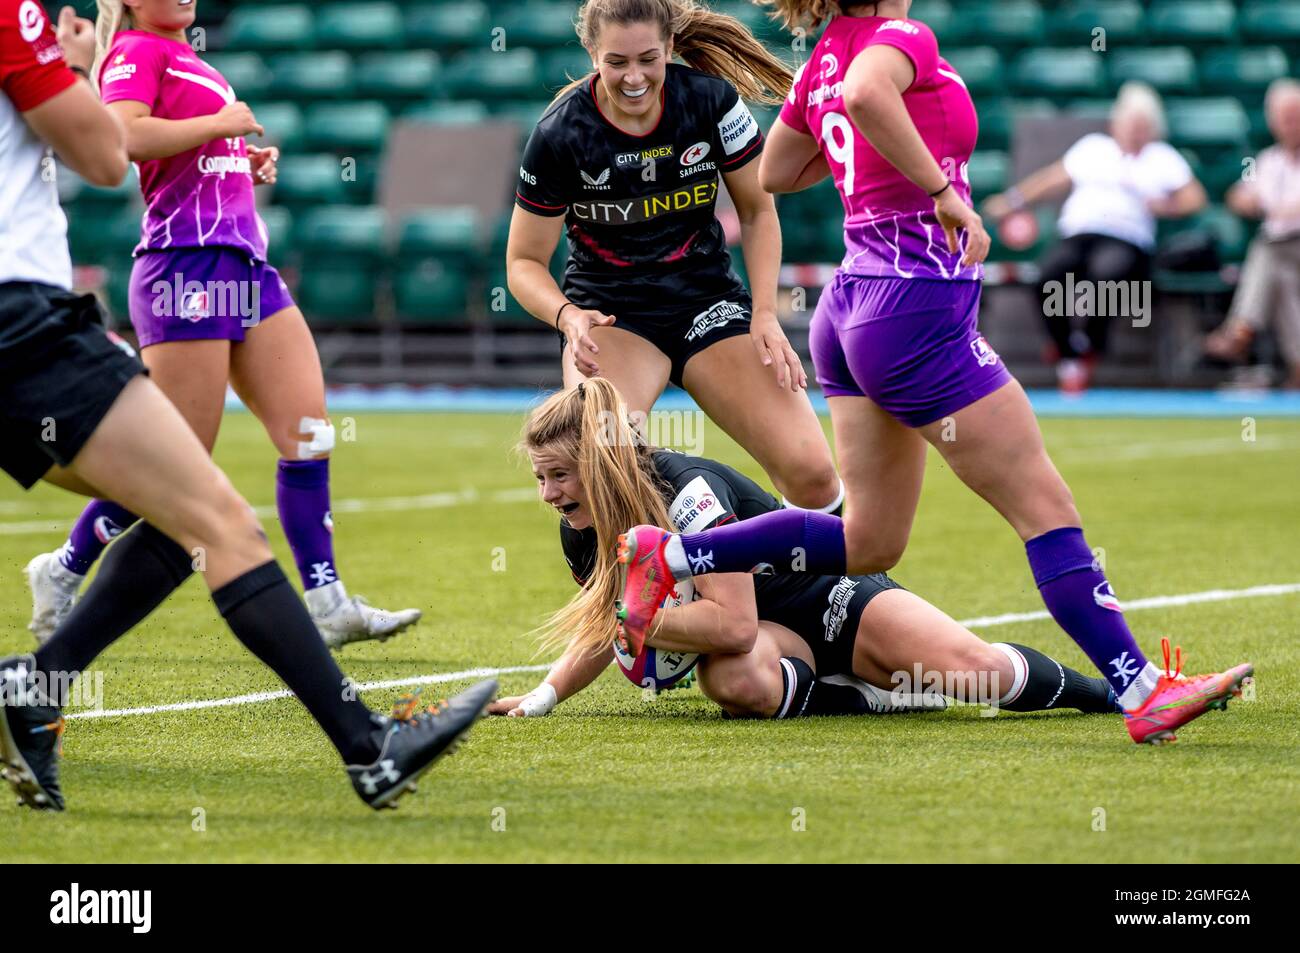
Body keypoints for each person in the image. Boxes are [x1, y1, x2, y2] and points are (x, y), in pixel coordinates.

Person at [613, 0, 1252, 745]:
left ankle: (675, 552)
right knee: (1044, 505)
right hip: (913, 303)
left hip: (848, 308)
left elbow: (782, 168)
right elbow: (866, 97)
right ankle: (1142, 688)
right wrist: (942, 193)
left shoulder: (825, 55)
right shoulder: (897, 37)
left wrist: (865, 156)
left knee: (869, 542)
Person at [0, 1, 493, 812]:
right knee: (215, 518)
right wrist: (82, 68)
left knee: (193, 505)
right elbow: (103, 150)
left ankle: (39, 684)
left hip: (214, 273)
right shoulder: (41, 25)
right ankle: (369, 747)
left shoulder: (172, 53)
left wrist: (225, 144)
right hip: (37, 316)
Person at [22, 0, 420, 649]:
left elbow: (185, 154)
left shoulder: (188, 57)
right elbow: (124, 138)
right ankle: (63, 567)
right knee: (178, 456)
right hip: (187, 269)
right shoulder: (134, 52)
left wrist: (238, 159)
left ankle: (328, 602)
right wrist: (218, 126)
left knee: (310, 430)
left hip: (244, 266)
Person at [488, 379, 1119, 721]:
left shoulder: (688, 492)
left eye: (560, 476)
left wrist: (639, 620)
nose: (548, 494)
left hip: (828, 601)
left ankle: (1113, 692)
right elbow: (613, 617)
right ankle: (873, 699)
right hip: (770, 639)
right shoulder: (580, 526)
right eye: (541, 478)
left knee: (978, 673)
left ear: (600, 465)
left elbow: (728, 624)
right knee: (733, 683)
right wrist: (543, 697)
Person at [506, 0, 844, 518]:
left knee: (814, 475)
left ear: (669, 48)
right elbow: (524, 263)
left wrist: (765, 313)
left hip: (707, 304)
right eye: (616, 62)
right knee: (607, 459)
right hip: (613, 318)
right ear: (592, 53)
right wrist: (568, 316)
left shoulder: (711, 103)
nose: (634, 77)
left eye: (648, 59)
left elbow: (758, 211)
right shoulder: (559, 134)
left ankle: (828, 593)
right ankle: (657, 593)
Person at [983, 82, 1207, 393]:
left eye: (1142, 126)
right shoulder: (1093, 147)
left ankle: (1090, 345)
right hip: (1078, 233)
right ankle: (1066, 349)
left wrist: (1166, 205)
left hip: (1126, 238)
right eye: (1130, 124)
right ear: (1116, 123)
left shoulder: (1163, 157)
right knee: (1049, 274)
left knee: (1107, 275)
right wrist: (1012, 201)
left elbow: (1195, 198)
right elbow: (1051, 180)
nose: (1134, 132)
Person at [1203, 78, 1300, 390]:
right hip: (1279, 250)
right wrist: (1248, 200)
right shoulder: (1268, 161)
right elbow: (1237, 195)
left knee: (1267, 252)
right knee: (1279, 273)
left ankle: (1240, 329)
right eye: (1284, 118)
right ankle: (1297, 367)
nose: (1290, 125)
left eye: (1295, 117)